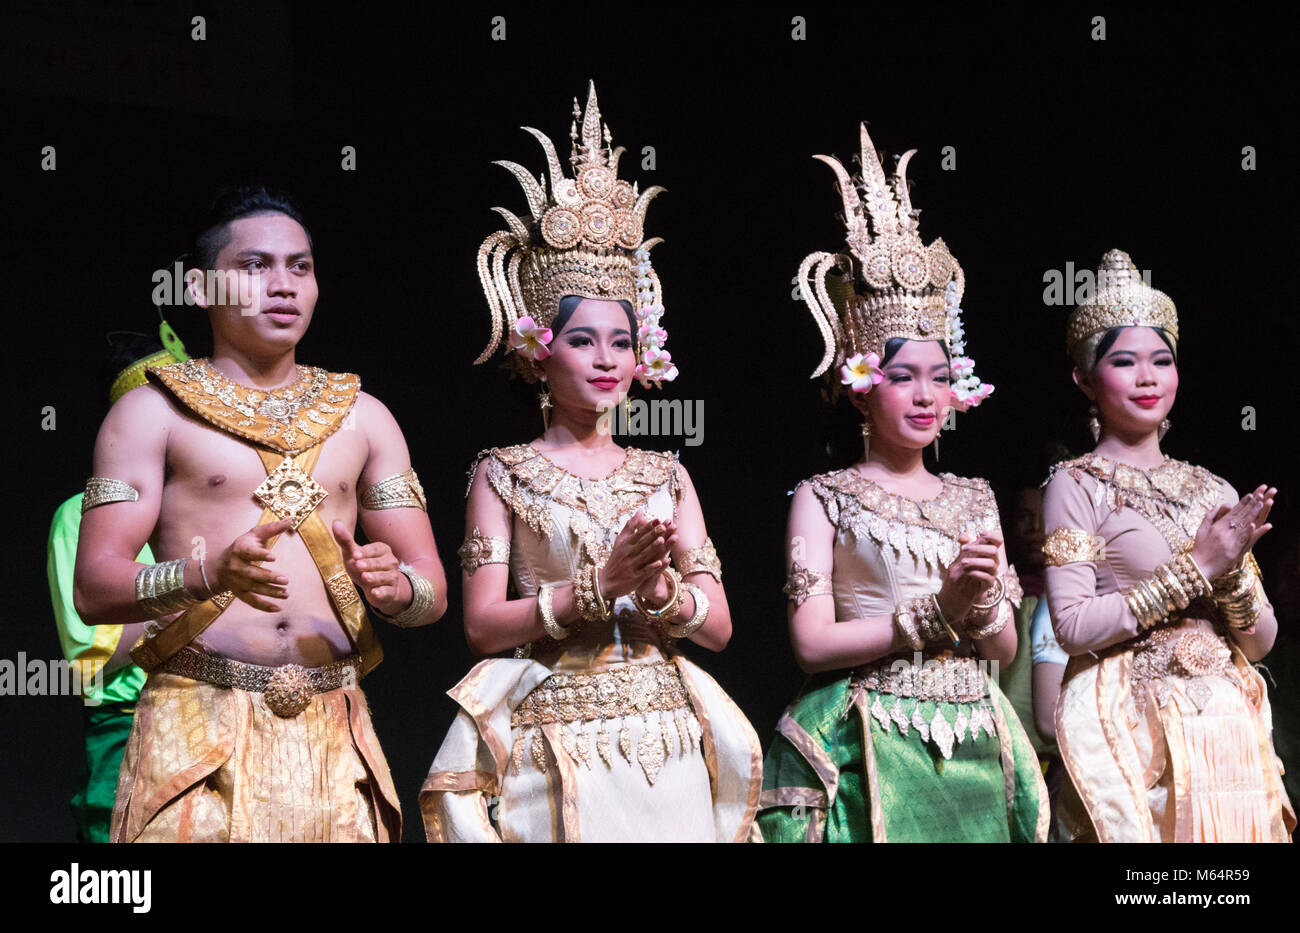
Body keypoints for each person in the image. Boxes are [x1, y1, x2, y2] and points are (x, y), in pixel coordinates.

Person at [419, 83, 761, 842]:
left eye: (621, 342)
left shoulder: (666, 475)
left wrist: (665, 594)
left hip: (669, 741)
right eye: (582, 340)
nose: (606, 359)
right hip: (555, 737)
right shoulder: (503, 471)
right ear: (538, 354)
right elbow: (481, 625)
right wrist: (597, 588)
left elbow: (720, 628)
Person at [73, 186, 448, 842]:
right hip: (194, 725)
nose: (283, 284)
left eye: (300, 267)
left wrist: (398, 590)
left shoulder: (366, 416)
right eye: (255, 266)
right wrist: (205, 574)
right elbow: (94, 588)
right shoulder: (150, 412)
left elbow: (433, 595)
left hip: (335, 733)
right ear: (199, 287)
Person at [757, 124, 1048, 842]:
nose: (925, 396)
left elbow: (1003, 649)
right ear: (861, 388)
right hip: (871, 734)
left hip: (976, 738)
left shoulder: (973, 496)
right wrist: (935, 611)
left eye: (940, 377)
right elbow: (811, 643)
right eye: (903, 376)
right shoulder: (824, 496)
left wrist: (982, 601)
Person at [1042, 249, 1294, 842]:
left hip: (1227, 727)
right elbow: (1072, 626)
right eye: (1124, 362)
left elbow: (1261, 641)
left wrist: (1231, 574)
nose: (1148, 377)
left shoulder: (1214, 488)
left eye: (1162, 360)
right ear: (1085, 379)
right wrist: (1197, 567)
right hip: (1134, 729)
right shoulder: (1075, 484)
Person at [47, 327, 187, 842]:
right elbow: (90, 661)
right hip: (130, 727)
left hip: (234, 716)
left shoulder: (223, 501)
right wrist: (193, 593)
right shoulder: (80, 516)